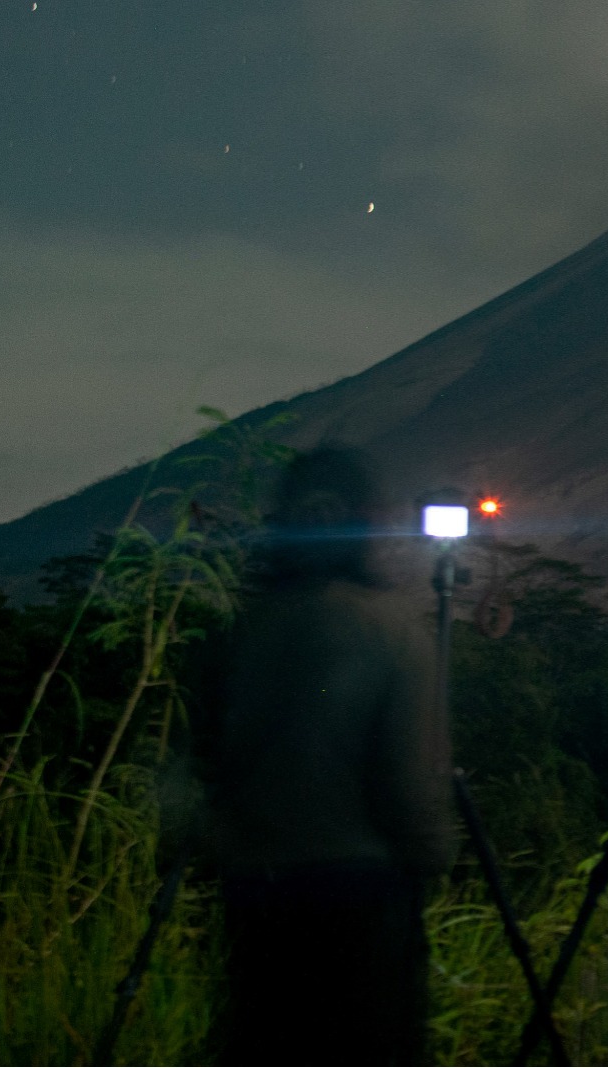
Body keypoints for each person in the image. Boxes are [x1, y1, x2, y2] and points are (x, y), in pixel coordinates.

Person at [189, 446, 454, 1065]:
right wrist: (430, 856)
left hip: (255, 898)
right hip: (359, 900)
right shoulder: (390, 631)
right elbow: (411, 789)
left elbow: (200, 772)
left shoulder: (237, 633)